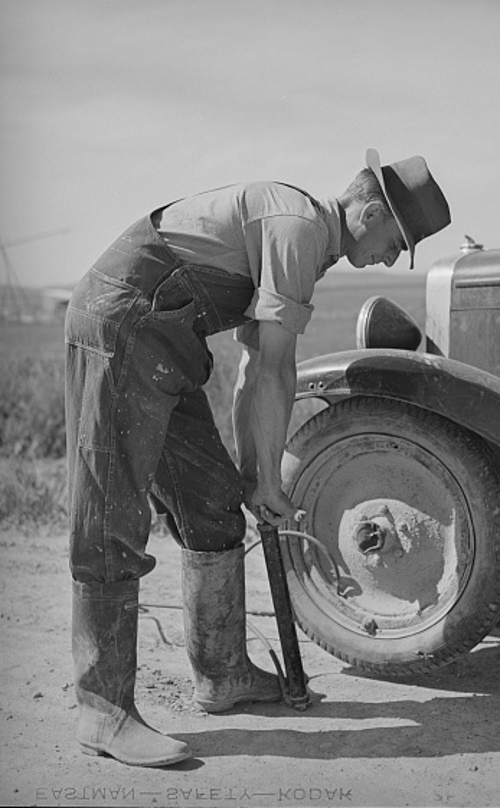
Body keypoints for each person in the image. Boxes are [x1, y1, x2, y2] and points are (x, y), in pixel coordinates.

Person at [65, 148, 451, 767]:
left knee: (216, 501)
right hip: (123, 325)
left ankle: (221, 676)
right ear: (370, 209)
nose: (388, 258)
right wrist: (271, 478)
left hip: (167, 340)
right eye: (395, 241)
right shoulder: (296, 227)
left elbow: (253, 367)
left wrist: (255, 477)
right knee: (111, 514)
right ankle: (103, 709)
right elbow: (275, 367)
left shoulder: (304, 239)